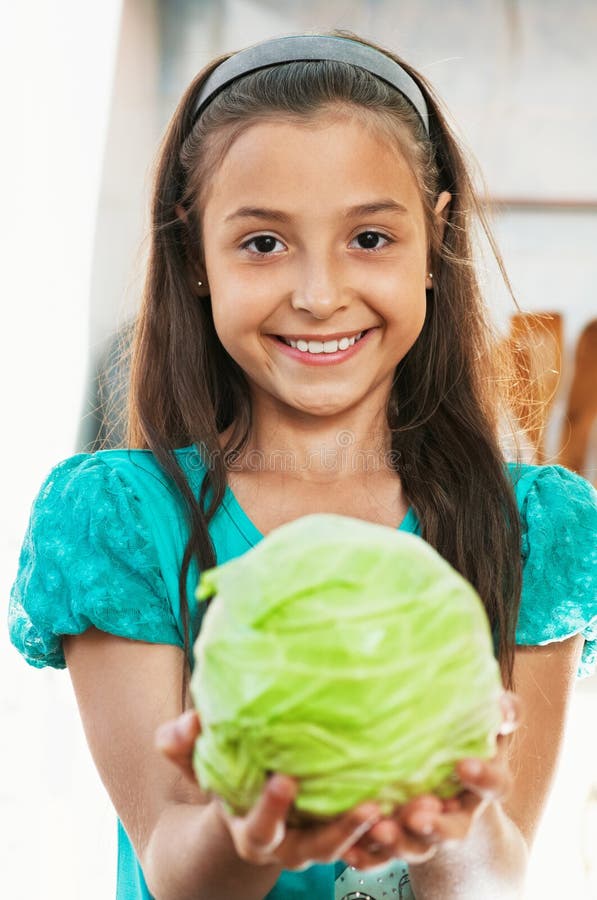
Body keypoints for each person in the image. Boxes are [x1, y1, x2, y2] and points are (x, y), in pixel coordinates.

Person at [8, 29, 597, 900]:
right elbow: (175, 864)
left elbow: (492, 881)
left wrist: (453, 817)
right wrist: (252, 831)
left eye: (370, 237)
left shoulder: (529, 528)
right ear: (194, 253)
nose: (319, 295)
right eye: (262, 243)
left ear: (434, 240)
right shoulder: (121, 517)